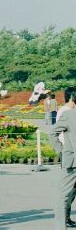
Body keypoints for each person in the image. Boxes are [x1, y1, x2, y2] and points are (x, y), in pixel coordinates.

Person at [52, 87, 76, 229]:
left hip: (72, 160)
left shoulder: (68, 114)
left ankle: (60, 227)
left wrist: (61, 150)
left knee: (62, 195)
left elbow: (52, 132)